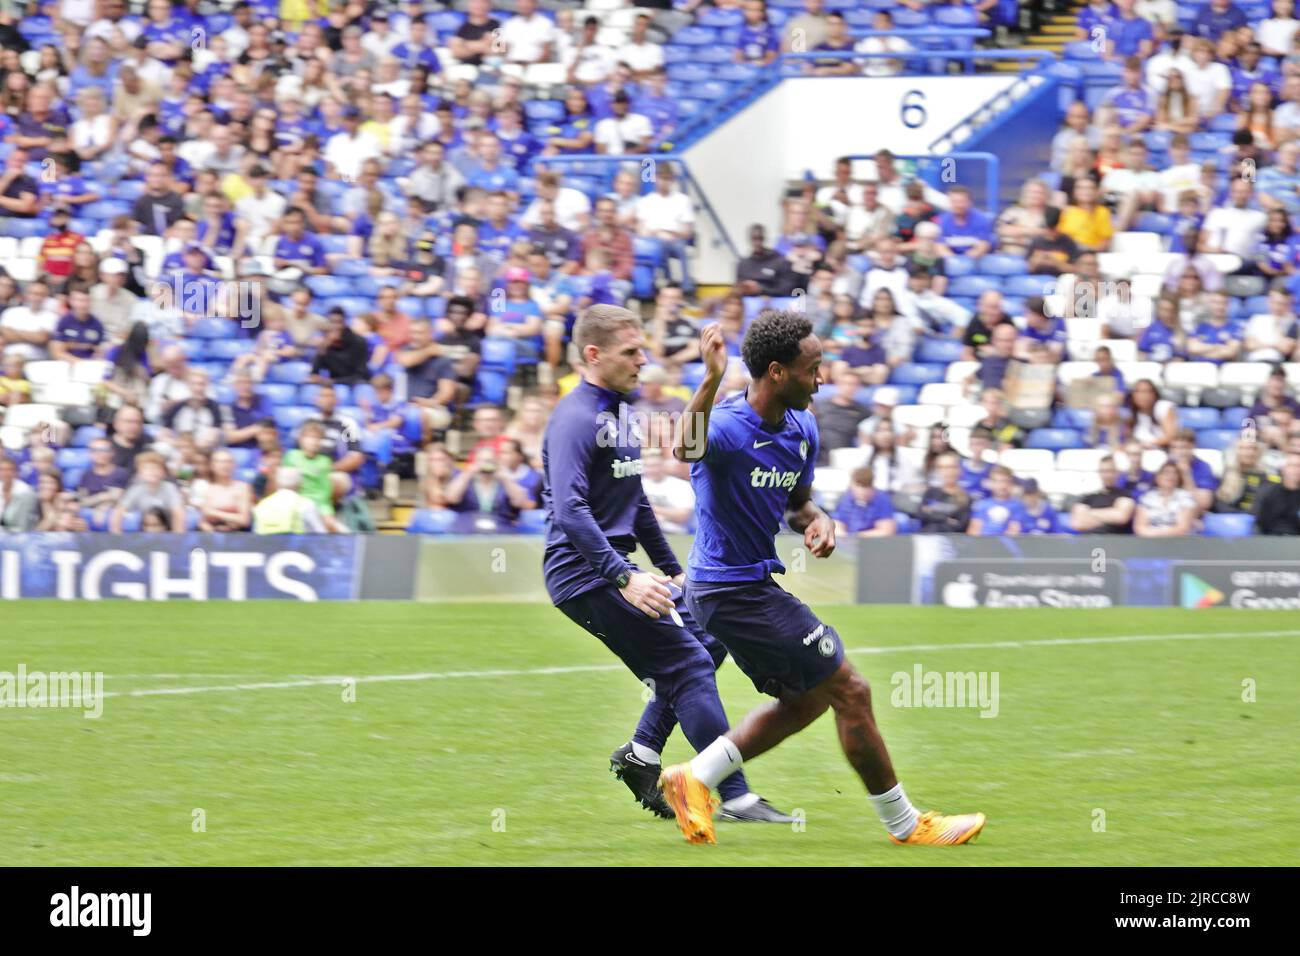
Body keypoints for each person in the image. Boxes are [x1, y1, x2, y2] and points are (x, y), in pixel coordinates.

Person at [662, 310, 984, 846]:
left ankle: (694, 778)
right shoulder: (724, 426)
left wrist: (821, 521)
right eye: (813, 369)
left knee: (810, 700)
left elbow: (797, 504)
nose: (822, 379)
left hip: (745, 589)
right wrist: (711, 377)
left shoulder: (802, 426)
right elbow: (683, 449)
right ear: (775, 372)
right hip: (729, 588)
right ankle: (908, 824)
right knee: (850, 688)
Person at [541, 305, 790, 825]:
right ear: (594, 354)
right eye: (631, 352)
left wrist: (672, 571)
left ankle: (642, 754)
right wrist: (624, 576)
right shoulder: (574, 418)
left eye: (643, 349)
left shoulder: (621, 414)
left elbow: (636, 504)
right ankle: (735, 797)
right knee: (688, 665)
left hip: (612, 567)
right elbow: (570, 510)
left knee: (708, 634)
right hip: (583, 573)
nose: (644, 360)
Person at [253, 466, 327, 533]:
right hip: (296, 547)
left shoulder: (262, 505)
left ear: (277, 482)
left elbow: (255, 533)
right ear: (300, 483)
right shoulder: (305, 504)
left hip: (264, 547)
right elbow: (321, 535)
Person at [1134, 461, 1198, 536]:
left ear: (1179, 478)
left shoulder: (1186, 497)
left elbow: (1183, 528)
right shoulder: (1147, 498)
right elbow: (1139, 528)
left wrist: (1158, 534)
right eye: (1165, 473)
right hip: (1150, 541)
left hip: (1178, 541)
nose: (1170, 476)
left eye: (1174, 473)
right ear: (1157, 477)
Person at [831, 466, 896, 537]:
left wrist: (857, 536)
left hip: (873, 543)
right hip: (848, 543)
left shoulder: (882, 500)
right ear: (851, 485)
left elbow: (886, 531)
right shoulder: (844, 499)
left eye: (866, 486)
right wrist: (845, 536)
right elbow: (836, 525)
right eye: (859, 485)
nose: (862, 491)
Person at [1253, 452, 1300, 533]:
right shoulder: (1268, 493)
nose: (1296, 470)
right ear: (1283, 468)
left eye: (1298, 466)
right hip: (1270, 540)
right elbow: (1259, 522)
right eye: (1292, 466)